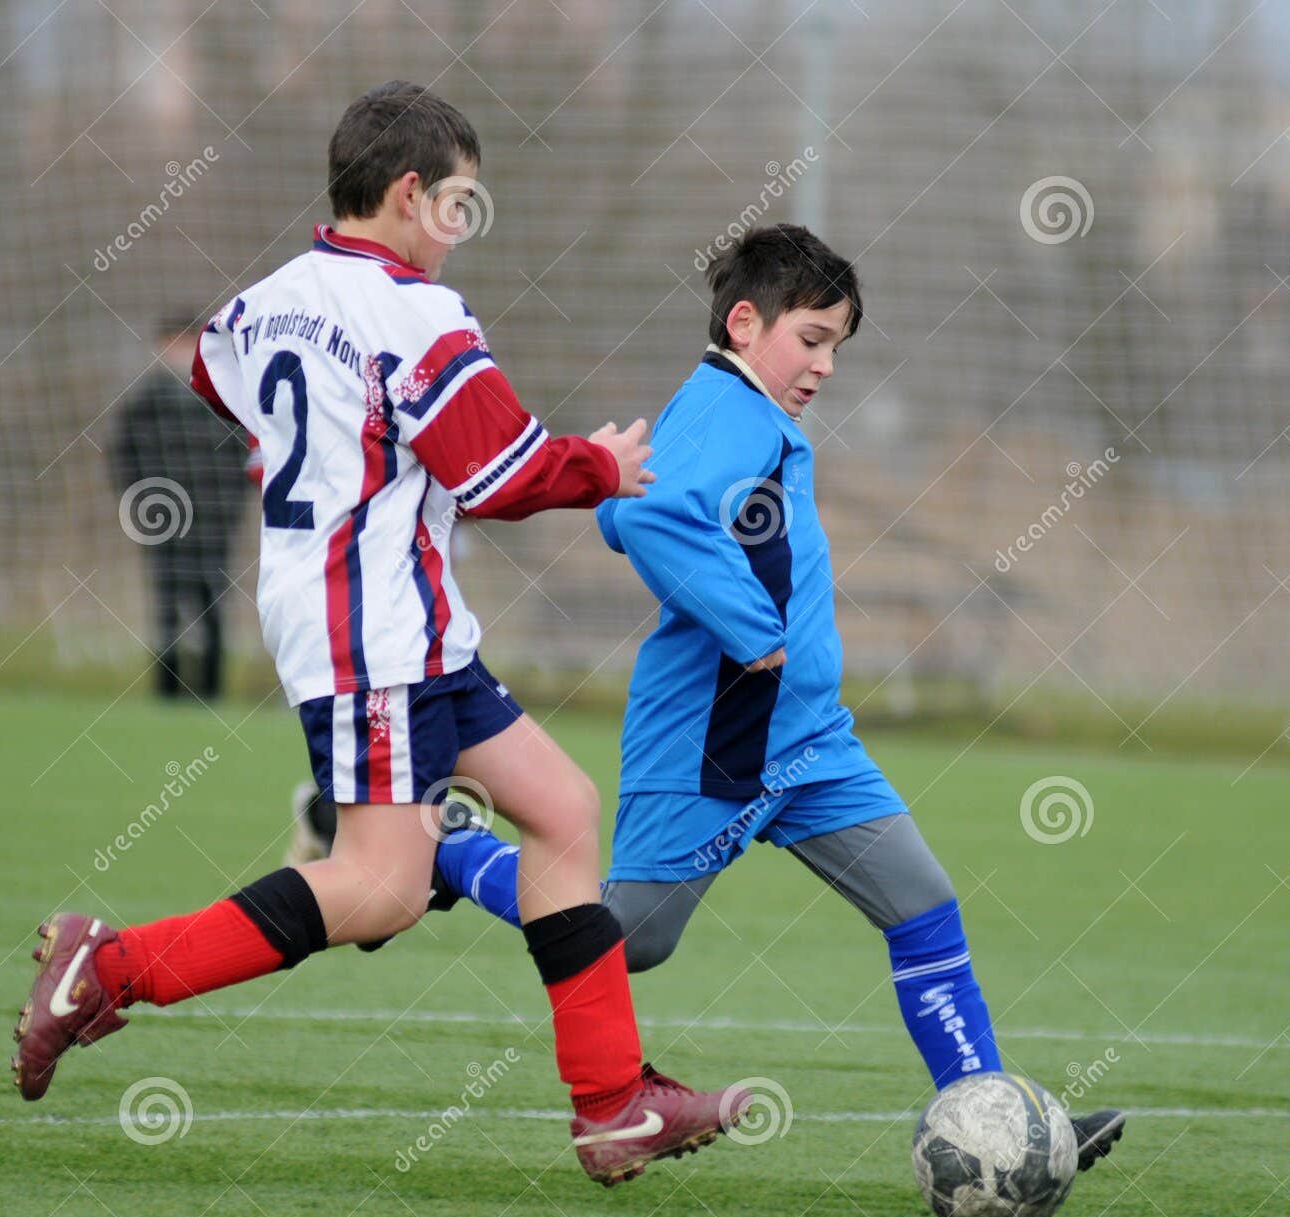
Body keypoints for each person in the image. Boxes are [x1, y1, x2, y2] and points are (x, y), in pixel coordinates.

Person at [12, 81, 753, 1187]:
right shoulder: (416, 314)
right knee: (381, 887)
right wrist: (603, 465)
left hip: (406, 627)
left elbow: (225, 378)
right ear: (409, 193)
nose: (462, 223)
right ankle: (107, 968)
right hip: (372, 637)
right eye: (458, 201)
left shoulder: (263, 301)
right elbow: (497, 475)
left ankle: (613, 1105)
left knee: (561, 807)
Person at [355, 223, 1124, 1169]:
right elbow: (641, 513)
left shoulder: (754, 418)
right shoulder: (729, 409)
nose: (826, 365)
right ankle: (457, 855)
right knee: (628, 939)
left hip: (808, 742)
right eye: (812, 339)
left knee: (923, 905)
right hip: (713, 742)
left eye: (838, 346)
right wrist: (754, 628)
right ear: (747, 322)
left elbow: (624, 508)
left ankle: (999, 1125)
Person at [109, 315, 252, 700]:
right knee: (167, 605)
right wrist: (141, 505)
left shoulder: (224, 400)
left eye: (186, 343)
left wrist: (231, 507)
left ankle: (210, 689)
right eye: (171, 344)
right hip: (163, 524)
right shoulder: (145, 404)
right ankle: (167, 690)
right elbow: (124, 457)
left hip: (214, 521)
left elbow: (247, 459)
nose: (177, 352)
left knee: (213, 603)